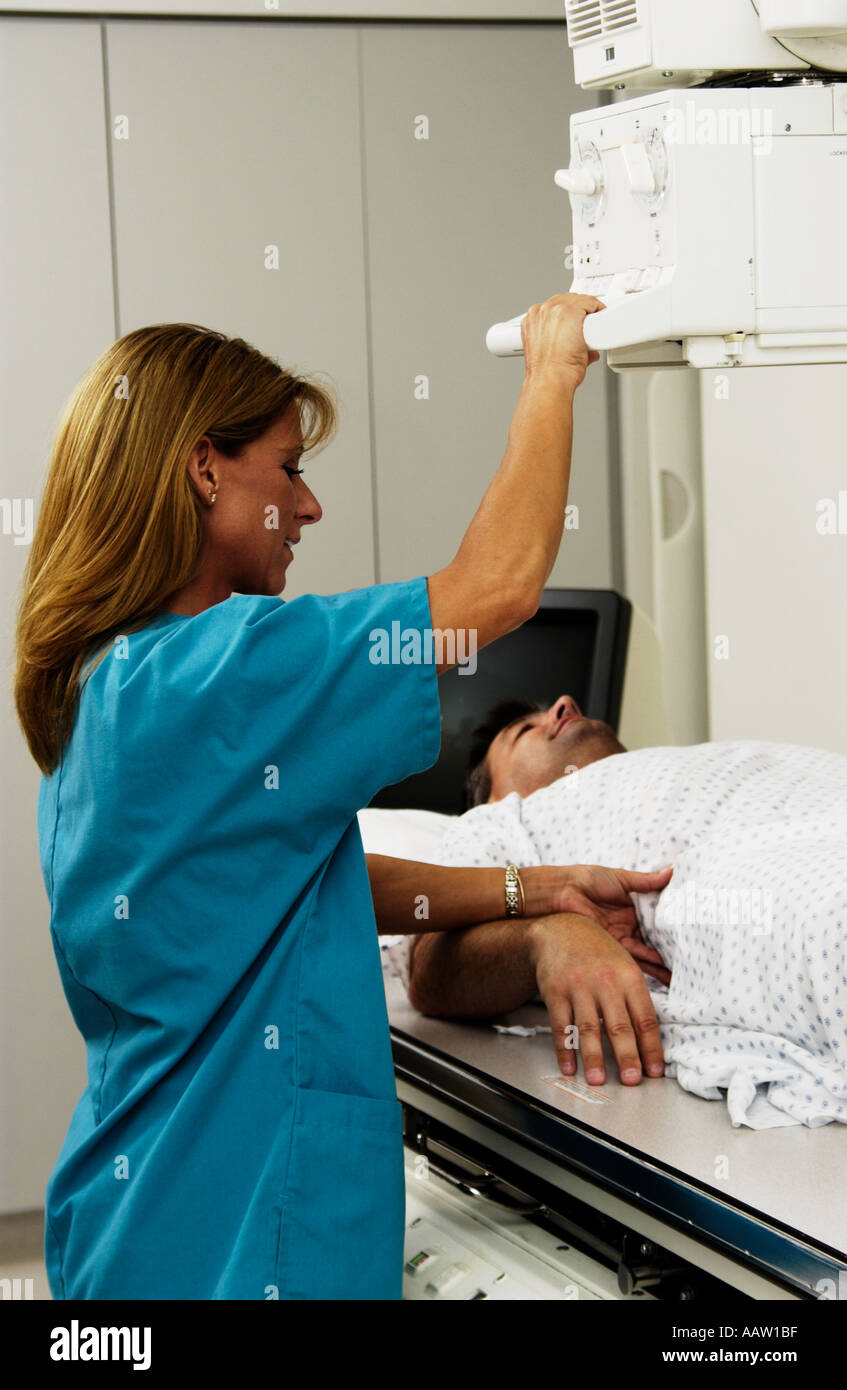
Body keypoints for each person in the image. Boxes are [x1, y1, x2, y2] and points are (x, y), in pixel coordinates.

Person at [14, 297, 670, 1300]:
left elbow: (287, 893)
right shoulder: (222, 670)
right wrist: (552, 372)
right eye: (288, 469)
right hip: (237, 1243)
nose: (309, 506)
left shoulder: (109, 684)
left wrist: (533, 889)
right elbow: (496, 587)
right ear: (203, 468)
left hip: (130, 1224)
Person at [406, 695, 847, 1127]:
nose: (565, 703)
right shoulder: (499, 821)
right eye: (525, 730)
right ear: (496, 796)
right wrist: (547, 935)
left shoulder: (697, 761)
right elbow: (429, 969)